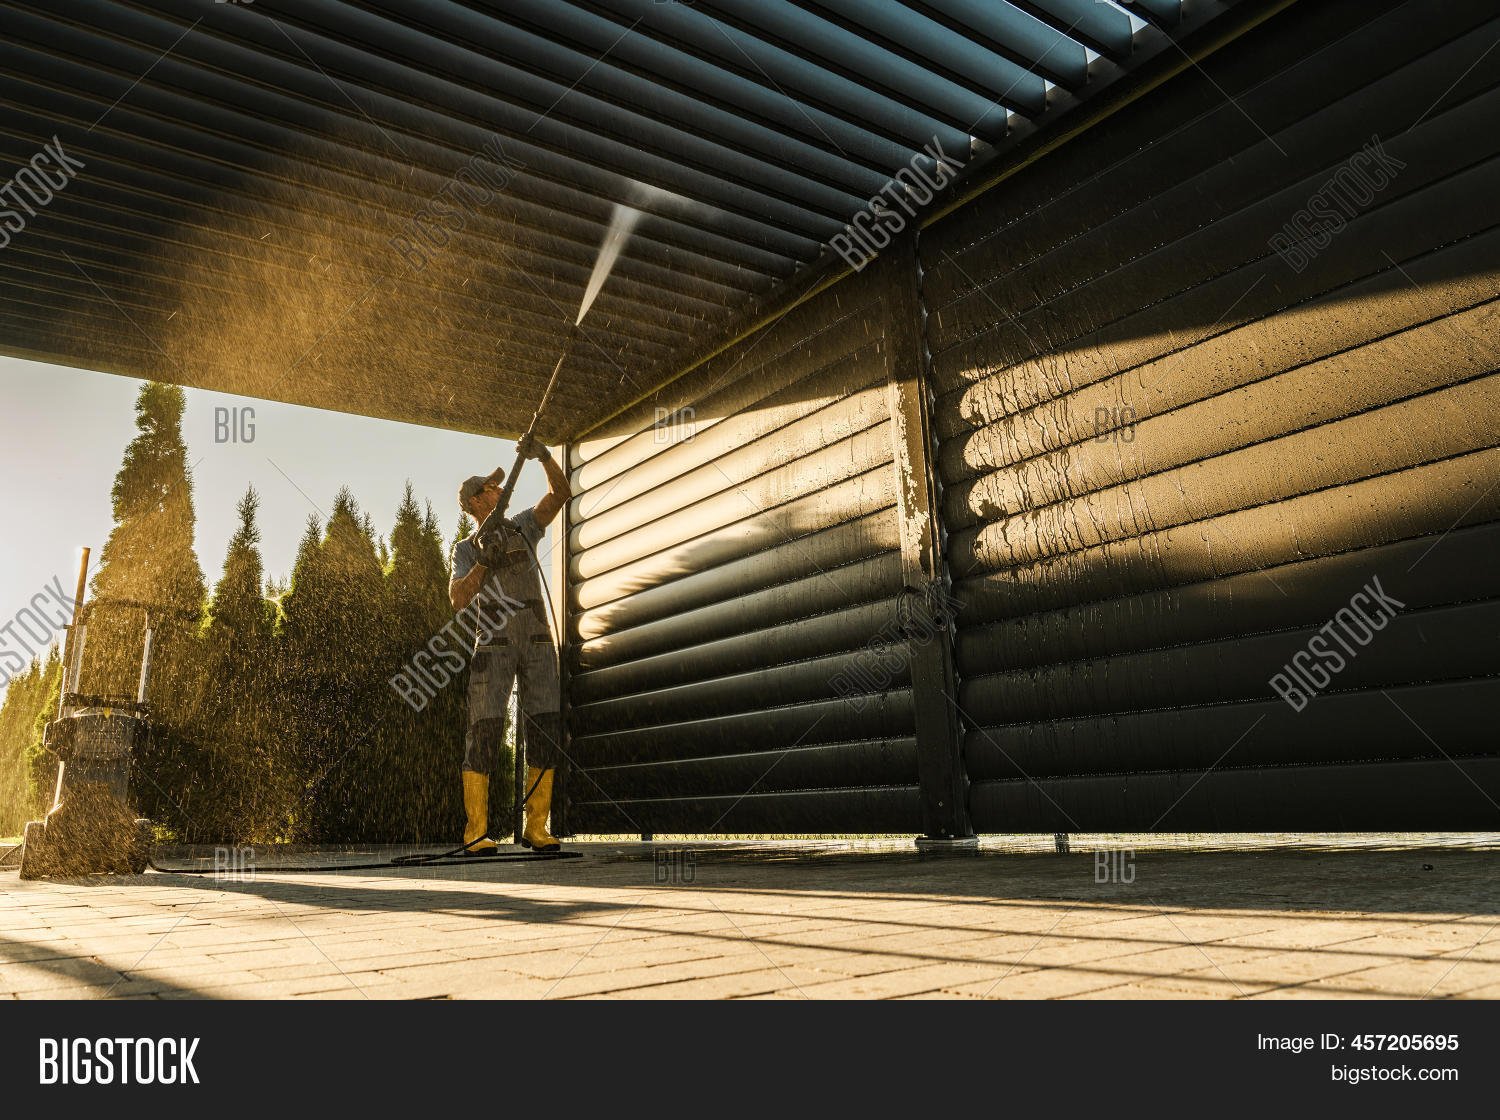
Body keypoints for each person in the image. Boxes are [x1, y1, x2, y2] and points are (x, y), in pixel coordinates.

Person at [449, 436, 571, 854]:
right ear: (475, 502)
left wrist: (545, 457)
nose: (500, 490)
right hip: (493, 645)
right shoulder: (465, 549)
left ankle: (537, 828)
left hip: (537, 640)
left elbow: (560, 494)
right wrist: (483, 561)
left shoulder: (522, 525)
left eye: (499, 485)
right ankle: (476, 833)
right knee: (483, 731)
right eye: (491, 487)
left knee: (545, 729)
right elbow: (458, 598)